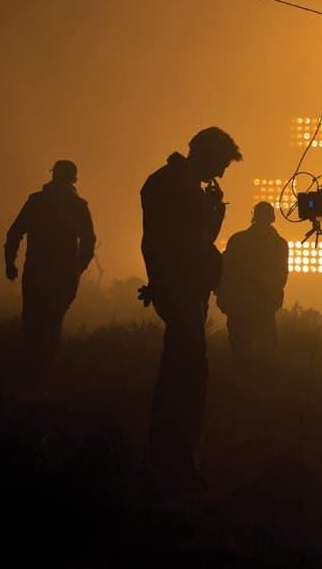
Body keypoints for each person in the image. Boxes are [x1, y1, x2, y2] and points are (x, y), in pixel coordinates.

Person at [139, 126, 242, 491]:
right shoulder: (170, 186)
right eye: (220, 164)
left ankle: (172, 459)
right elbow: (172, 242)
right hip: (181, 291)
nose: (221, 173)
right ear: (206, 155)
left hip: (188, 290)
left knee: (183, 373)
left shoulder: (179, 185)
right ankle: (175, 462)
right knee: (187, 377)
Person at [4, 160, 95, 384]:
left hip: (36, 271)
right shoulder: (78, 205)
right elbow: (89, 242)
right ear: (74, 179)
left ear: (53, 176)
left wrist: (10, 263)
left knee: (33, 323)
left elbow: (14, 233)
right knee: (52, 323)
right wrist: (78, 269)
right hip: (63, 275)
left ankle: (29, 376)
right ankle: (42, 375)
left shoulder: (37, 202)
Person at [215, 201, 288, 363]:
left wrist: (223, 296)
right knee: (266, 352)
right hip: (265, 304)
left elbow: (224, 270)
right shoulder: (279, 244)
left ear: (253, 216)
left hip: (239, 303)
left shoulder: (237, 240)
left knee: (239, 351)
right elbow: (281, 277)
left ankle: (241, 382)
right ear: (272, 218)